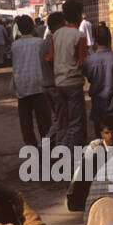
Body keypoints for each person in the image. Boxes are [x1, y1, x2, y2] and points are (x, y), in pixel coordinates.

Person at [48, 0, 87, 151]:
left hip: (59, 83)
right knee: (76, 122)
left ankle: (62, 148)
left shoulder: (56, 34)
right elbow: (83, 62)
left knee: (63, 121)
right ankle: (66, 151)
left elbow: (50, 58)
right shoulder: (79, 35)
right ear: (78, 15)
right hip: (73, 83)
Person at [83, 23, 113, 137]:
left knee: (102, 139)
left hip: (99, 105)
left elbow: (90, 79)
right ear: (109, 39)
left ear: (95, 41)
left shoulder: (89, 60)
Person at [10, 14, 51, 147]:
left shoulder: (15, 45)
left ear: (19, 29)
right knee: (44, 121)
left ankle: (31, 149)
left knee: (26, 122)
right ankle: (48, 149)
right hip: (39, 85)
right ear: (33, 27)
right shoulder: (40, 42)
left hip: (22, 86)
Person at [41, 11, 66, 144]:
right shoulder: (54, 42)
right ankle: (54, 146)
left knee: (58, 118)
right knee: (62, 121)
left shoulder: (44, 42)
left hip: (47, 84)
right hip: (55, 86)